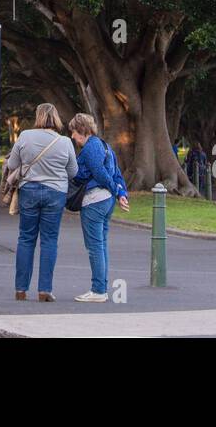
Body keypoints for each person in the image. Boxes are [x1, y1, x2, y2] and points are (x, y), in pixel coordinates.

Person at [5, 103, 78, 302]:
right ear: (55, 118)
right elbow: (73, 172)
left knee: (26, 238)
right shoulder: (64, 142)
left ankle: (20, 289)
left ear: (38, 117)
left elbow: (12, 164)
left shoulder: (25, 136)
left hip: (29, 191)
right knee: (49, 240)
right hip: (56, 193)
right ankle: (44, 290)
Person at [68, 113, 129, 303]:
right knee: (100, 246)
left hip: (94, 200)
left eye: (74, 132)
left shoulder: (91, 146)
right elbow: (117, 173)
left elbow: (101, 173)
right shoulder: (105, 146)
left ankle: (98, 290)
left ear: (82, 130)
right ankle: (100, 288)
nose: (72, 137)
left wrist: (115, 190)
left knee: (94, 247)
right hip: (106, 201)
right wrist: (120, 193)